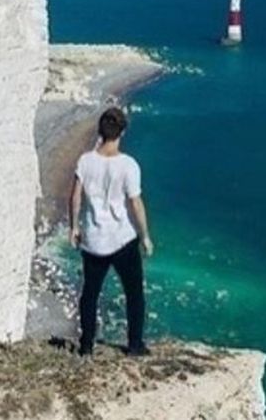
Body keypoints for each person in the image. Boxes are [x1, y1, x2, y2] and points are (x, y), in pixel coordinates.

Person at [68, 107, 154, 357]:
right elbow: (135, 202)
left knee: (90, 293)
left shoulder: (85, 161)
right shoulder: (128, 165)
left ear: (100, 131)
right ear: (122, 132)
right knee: (134, 292)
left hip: (93, 239)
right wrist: (145, 236)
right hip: (122, 238)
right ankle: (135, 344)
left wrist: (74, 227)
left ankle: (86, 345)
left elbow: (74, 196)